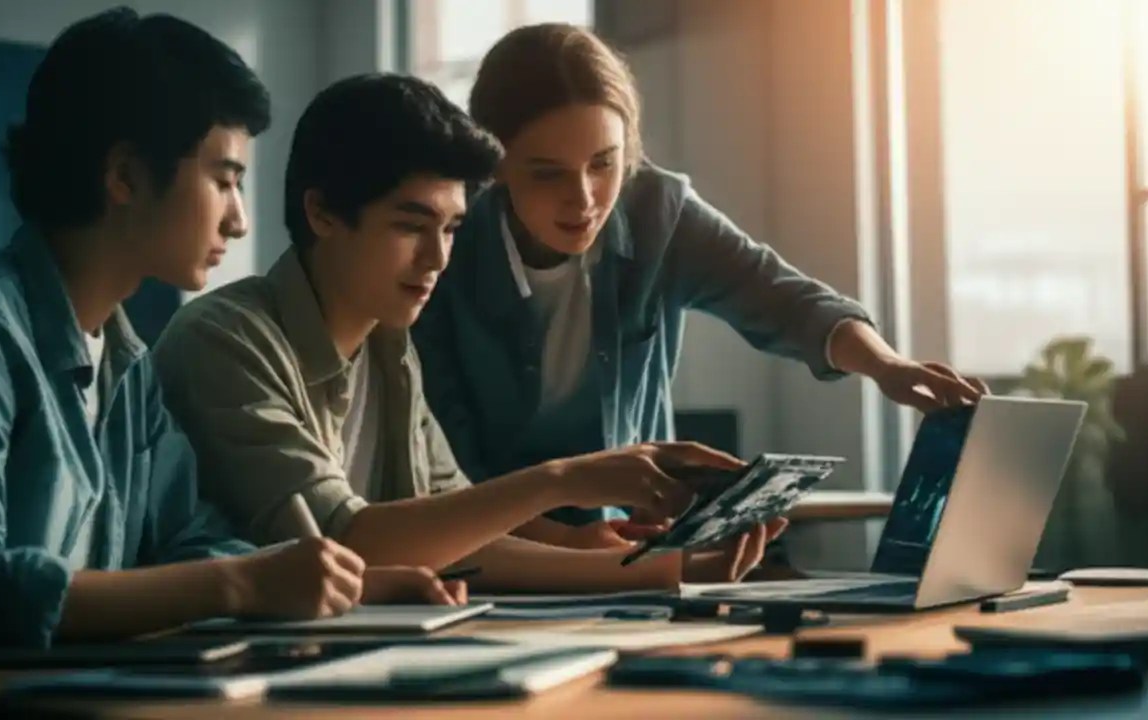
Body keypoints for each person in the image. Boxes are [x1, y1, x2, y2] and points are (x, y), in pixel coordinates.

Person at [0, 8, 443, 657]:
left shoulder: (128, 365)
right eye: (224, 180)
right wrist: (240, 583)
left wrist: (337, 580)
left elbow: (196, 539)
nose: (240, 222)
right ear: (126, 176)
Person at [153, 73, 785, 593]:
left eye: (452, 229)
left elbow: (463, 545)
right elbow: (345, 540)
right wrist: (565, 479)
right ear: (321, 213)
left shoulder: (390, 348)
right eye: (411, 226)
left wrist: (673, 570)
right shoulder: (224, 340)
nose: (437, 259)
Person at [412, 24, 989, 550]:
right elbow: (442, 458)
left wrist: (886, 366)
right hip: (494, 549)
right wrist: (558, 543)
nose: (584, 199)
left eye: (604, 164)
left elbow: (783, 298)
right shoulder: (446, 252)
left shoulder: (658, 212)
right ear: (495, 164)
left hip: (639, 543)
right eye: (548, 173)